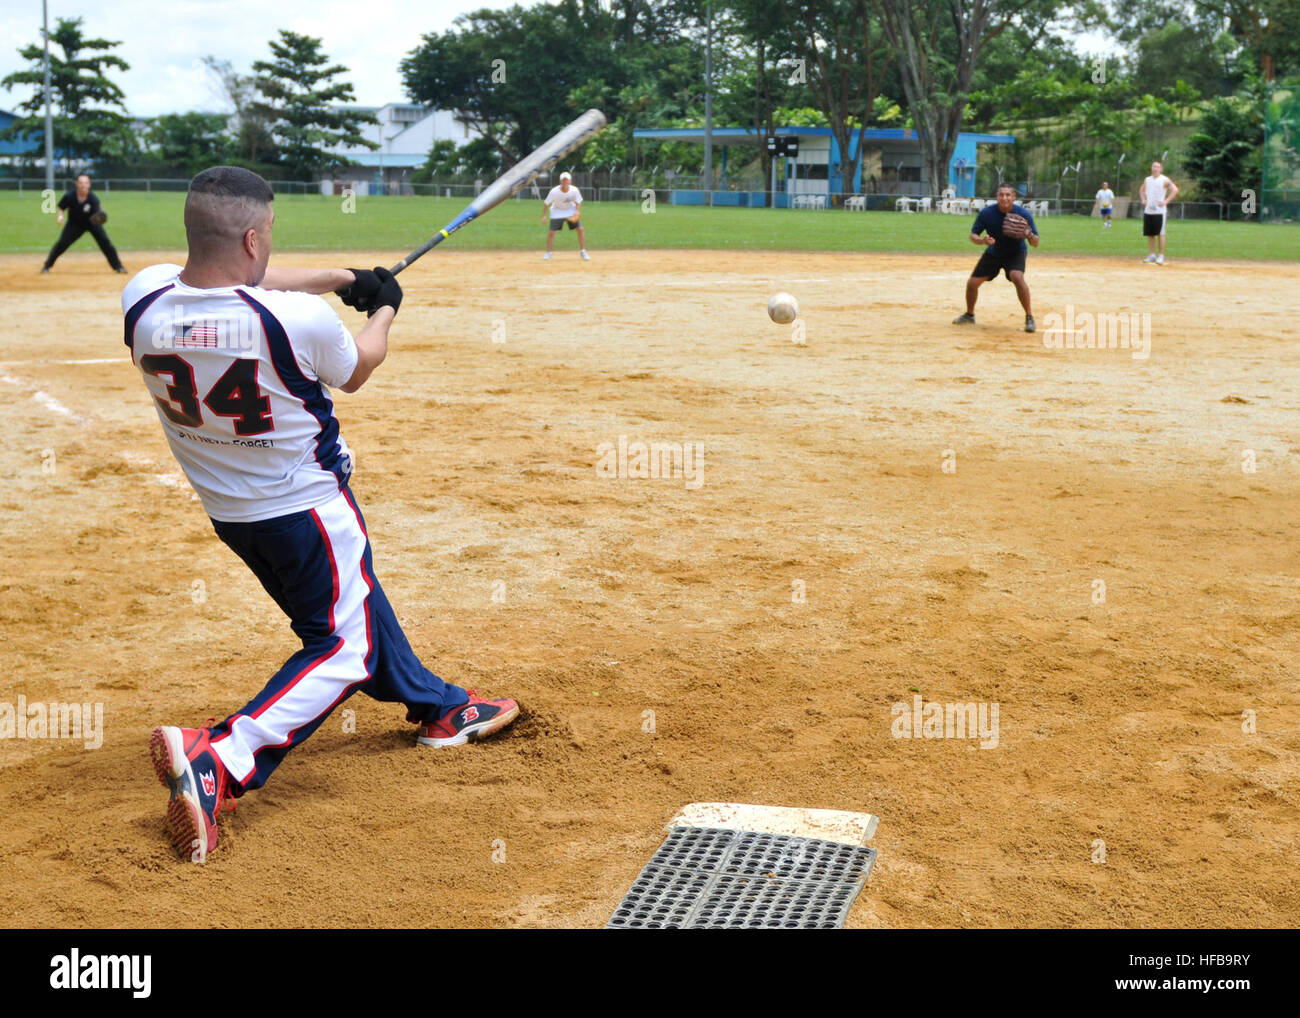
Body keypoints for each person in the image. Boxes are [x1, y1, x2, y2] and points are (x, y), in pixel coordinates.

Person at [127, 166, 520, 861]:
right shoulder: (295, 320)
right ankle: (222, 757)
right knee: (345, 647)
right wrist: (384, 308)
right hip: (306, 507)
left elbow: (243, 289)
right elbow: (360, 366)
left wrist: (342, 277)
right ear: (254, 236)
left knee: (345, 612)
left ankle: (440, 707)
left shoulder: (144, 295)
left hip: (230, 511)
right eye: (269, 236)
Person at [952, 182, 1040, 333]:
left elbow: (1035, 243)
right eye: (1001, 194)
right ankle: (969, 314)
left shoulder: (1023, 215)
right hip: (994, 252)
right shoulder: (987, 213)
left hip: (1015, 252)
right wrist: (982, 241)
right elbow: (973, 235)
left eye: (1008, 195)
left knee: (1017, 276)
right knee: (972, 283)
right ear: (997, 197)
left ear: (1013, 197)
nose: (1004, 198)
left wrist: (1029, 234)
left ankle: (1029, 317)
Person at [41, 173, 126, 274]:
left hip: (92, 223)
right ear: (77, 184)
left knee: (105, 243)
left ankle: (118, 267)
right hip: (74, 224)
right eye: (81, 183)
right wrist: (60, 217)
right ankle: (47, 266)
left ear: (89, 185)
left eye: (86, 183)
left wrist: (101, 215)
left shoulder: (93, 199)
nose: (83, 185)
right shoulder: (70, 196)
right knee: (62, 244)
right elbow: (61, 208)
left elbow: (99, 210)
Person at [542, 171, 589, 260]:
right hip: (557, 211)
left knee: (580, 229)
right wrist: (544, 215)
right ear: (561, 182)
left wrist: (577, 212)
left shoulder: (574, 190)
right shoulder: (554, 191)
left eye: (567, 180)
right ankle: (548, 253)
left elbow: (578, 202)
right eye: (564, 180)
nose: (565, 182)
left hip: (570, 210)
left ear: (570, 181)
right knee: (551, 232)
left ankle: (583, 251)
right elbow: (546, 203)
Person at [1140, 160, 1179, 265]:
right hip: (1148, 210)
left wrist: (1166, 201)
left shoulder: (1164, 180)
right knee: (1150, 234)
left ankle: (1161, 255)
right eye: (1154, 166)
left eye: (1158, 167)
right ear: (1151, 168)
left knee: (1160, 233)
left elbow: (1175, 190)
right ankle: (1152, 254)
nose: (1155, 168)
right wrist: (1143, 199)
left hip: (1159, 212)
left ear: (1161, 169)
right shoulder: (1147, 179)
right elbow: (1141, 190)